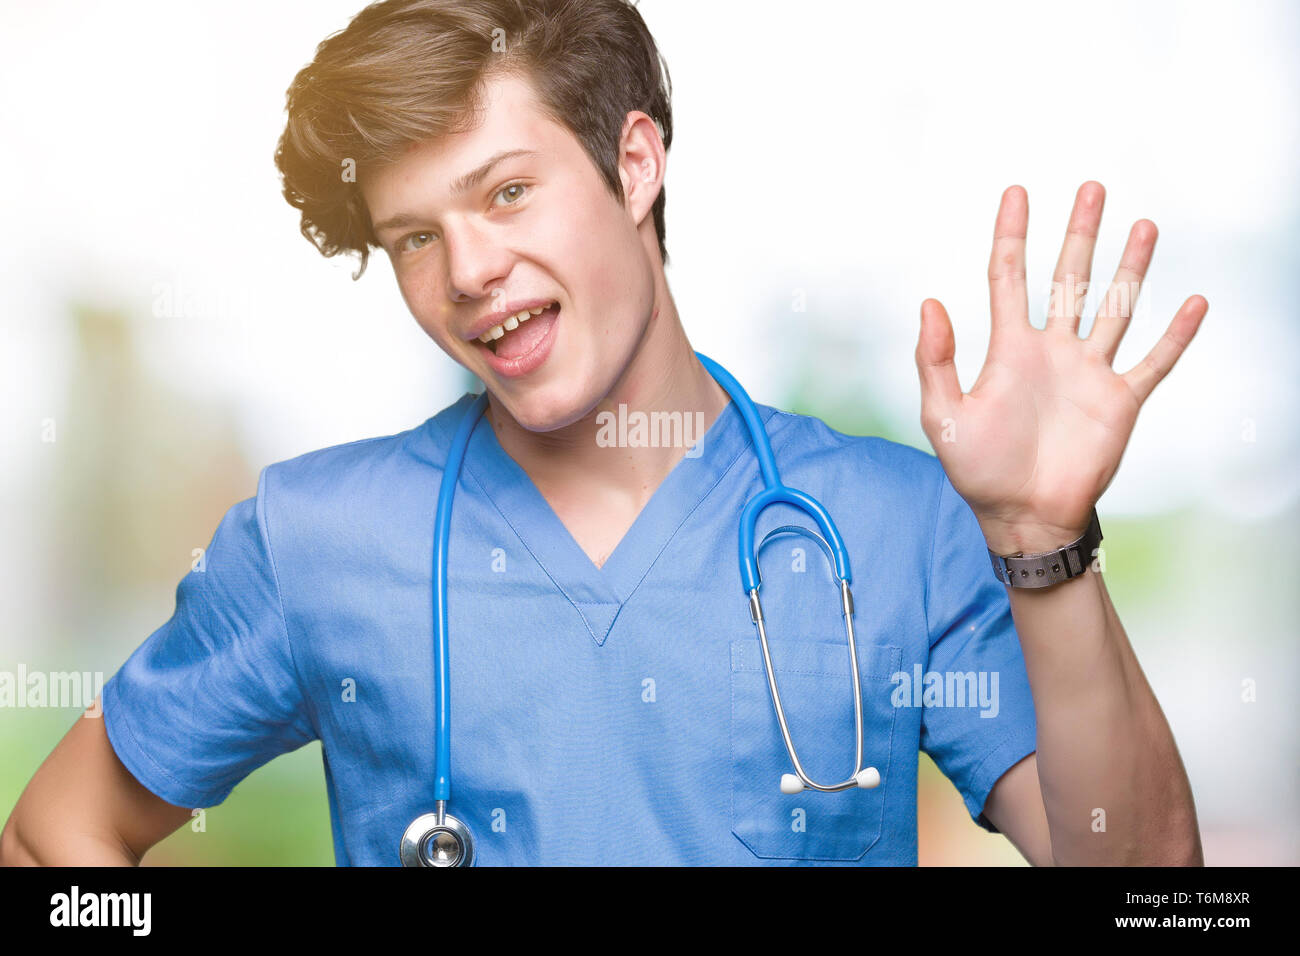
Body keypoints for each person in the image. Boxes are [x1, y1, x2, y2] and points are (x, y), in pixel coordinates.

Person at [1, 0, 1205, 867]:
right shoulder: (314, 539)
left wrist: (1043, 539)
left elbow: (1147, 883)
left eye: (506, 191)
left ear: (635, 164)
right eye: (415, 236)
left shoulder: (894, 525)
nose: (468, 270)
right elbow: (60, 834)